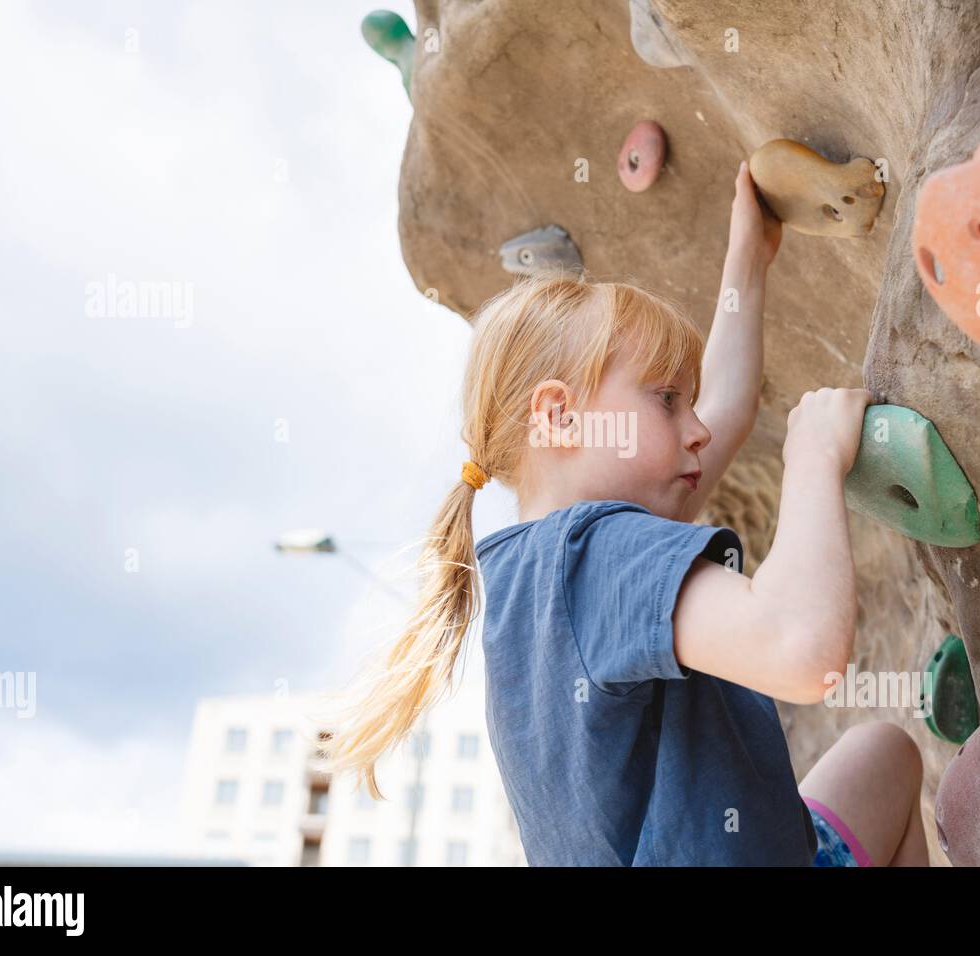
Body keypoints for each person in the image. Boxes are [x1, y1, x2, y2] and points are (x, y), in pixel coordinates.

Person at [325, 161, 928, 866]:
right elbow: (801, 651)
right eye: (666, 398)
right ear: (559, 414)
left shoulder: (538, 577)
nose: (695, 426)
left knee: (880, 757)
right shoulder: (600, 554)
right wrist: (815, 455)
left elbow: (724, 410)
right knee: (886, 754)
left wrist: (750, 254)